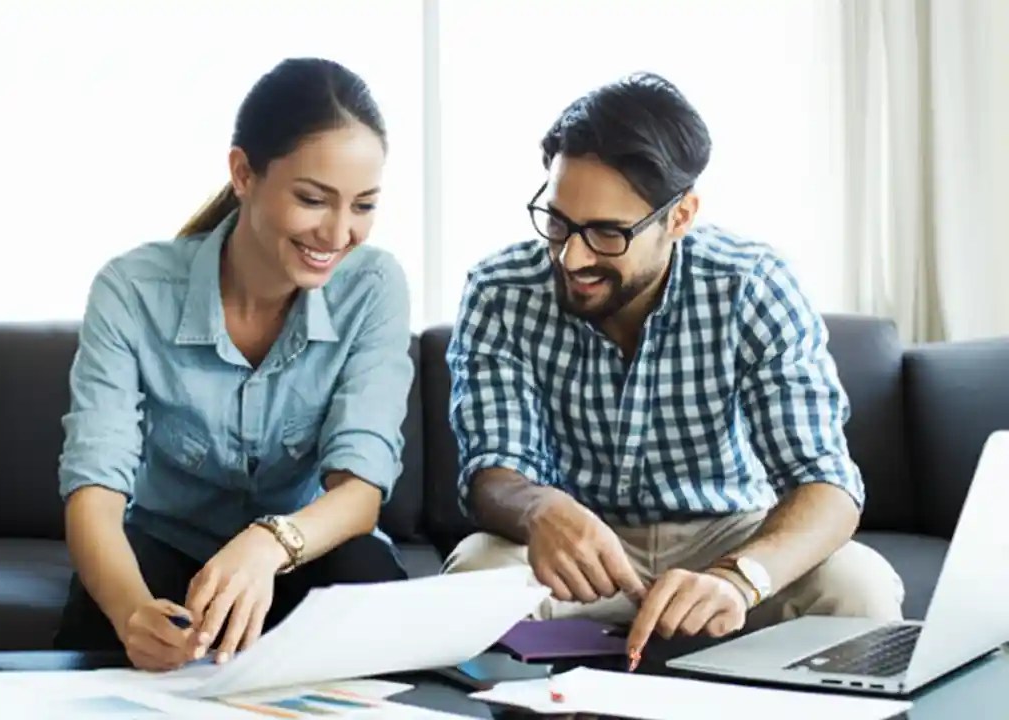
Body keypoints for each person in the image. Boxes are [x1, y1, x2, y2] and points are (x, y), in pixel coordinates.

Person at [441, 72, 904, 662]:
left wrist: (739, 577)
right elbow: (493, 468)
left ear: (680, 216)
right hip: (578, 549)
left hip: (731, 535)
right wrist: (537, 508)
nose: (571, 257)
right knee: (473, 576)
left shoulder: (751, 285)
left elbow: (827, 484)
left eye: (607, 233)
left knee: (858, 586)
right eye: (558, 222)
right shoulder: (501, 290)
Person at [53, 57, 413, 672]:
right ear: (244, 173)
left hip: (303, 552)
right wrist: (133, 614)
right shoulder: (132, 289)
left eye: (363, 205)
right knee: (102, 610)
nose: (338, 234)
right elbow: (95, 491)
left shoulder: (374, 286)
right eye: (312, 199)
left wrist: (269, 544)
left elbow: (359, 492)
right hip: (169, 551)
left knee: (367, 569)